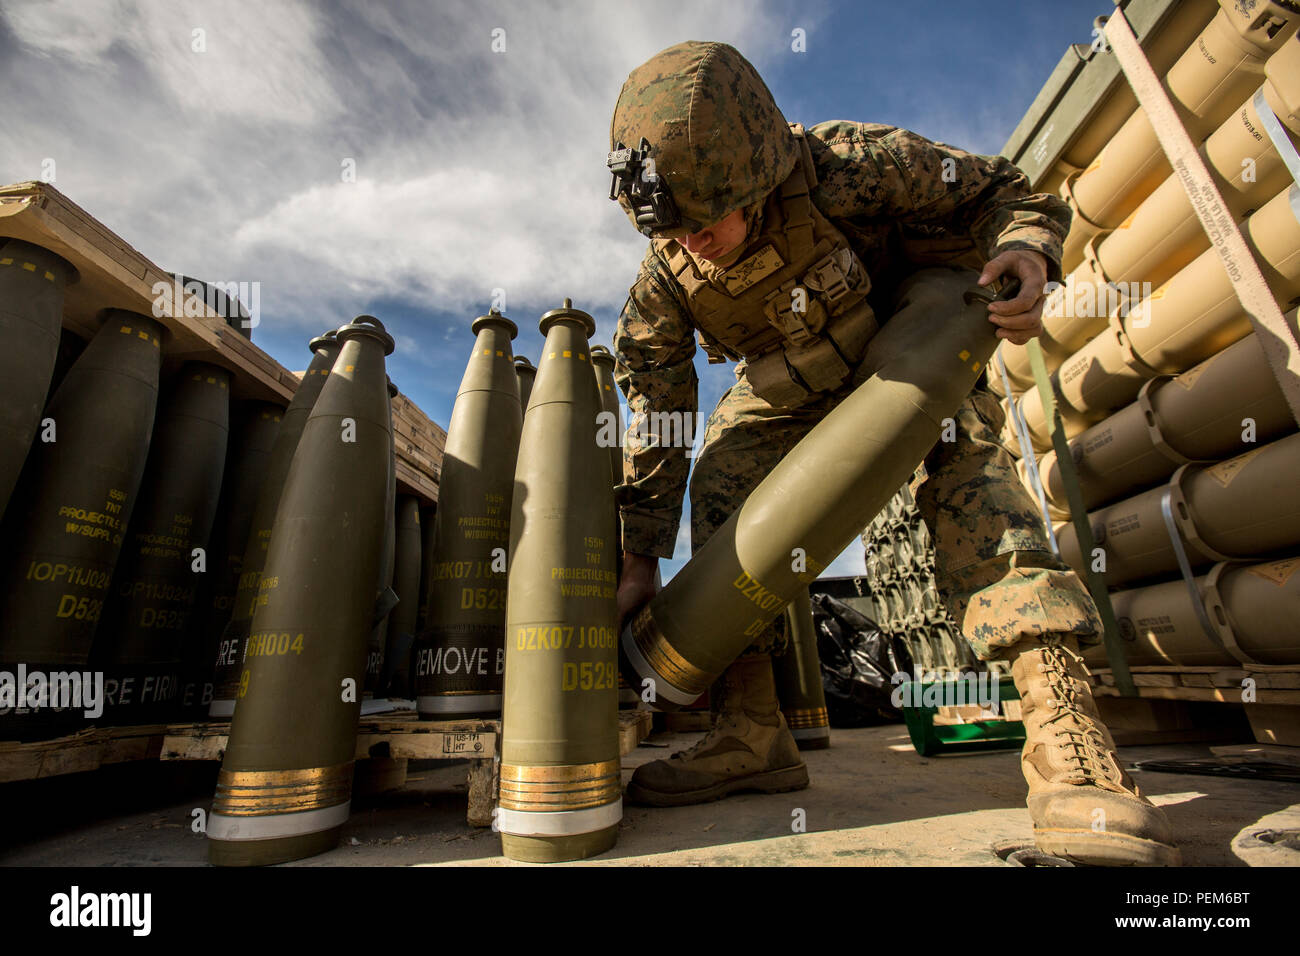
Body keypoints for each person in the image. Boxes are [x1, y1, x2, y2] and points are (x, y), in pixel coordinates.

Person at [605, 40, 1178, 866]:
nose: (692, 243)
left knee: (969, 469)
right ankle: (751, 734)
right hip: (790, 384)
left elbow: (1002, 191)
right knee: (724, 480)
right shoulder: (665, 279)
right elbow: (658, 414)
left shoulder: (850, 165)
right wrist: (639, 557)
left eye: (704, 220)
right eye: (674, 229)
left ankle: (1066, 738)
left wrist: (1025, 248)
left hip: (903, 346)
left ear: (760, 171)